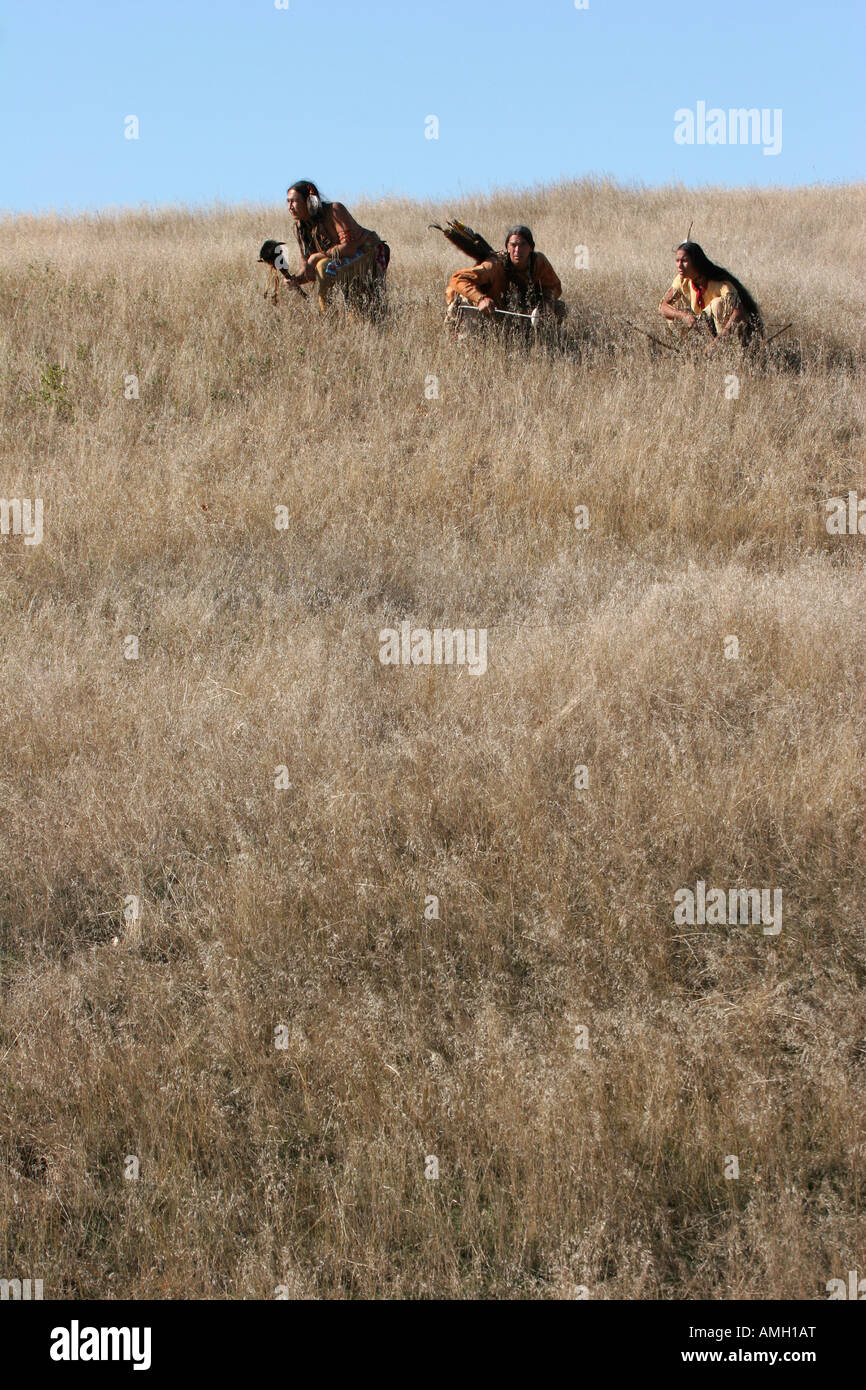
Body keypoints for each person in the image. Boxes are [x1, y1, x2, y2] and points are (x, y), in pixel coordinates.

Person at [282, 180, 389, 315]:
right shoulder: (300, 227)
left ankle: (329, 319)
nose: (290, 207)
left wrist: (316, 257)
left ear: (309, 201)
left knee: (323, 266)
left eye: (294, 201)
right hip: (342, 263)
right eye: (288, 202)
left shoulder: (334, 210)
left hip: (369, 253)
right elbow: (308, 269)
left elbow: (349, 248)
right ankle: (331, 324)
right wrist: (295, 279)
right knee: (357, 313)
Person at [445, 224, 567, 332]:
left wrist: (545, 304)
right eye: (513, 245)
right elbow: (458, 278)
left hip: (523, 312)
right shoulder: (494, 265)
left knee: (559, 307)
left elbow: (554, 287)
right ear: (507, 248)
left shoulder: (539, 262)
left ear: (531, 247)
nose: (517, 250)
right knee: (465, 304)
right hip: (492, 312)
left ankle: (542, 340)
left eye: (523, 244)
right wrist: (480, 299)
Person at [659, 240, 763, 349]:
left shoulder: (721, 283)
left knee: (717, 304)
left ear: (696, 262)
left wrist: (717, 343)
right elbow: (662, 307)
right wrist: (684, 316)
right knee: (674, 310)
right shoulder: (681, 280)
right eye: (677, 261)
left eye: (684, 261)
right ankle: (689, 349)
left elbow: (739, 312)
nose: (679, 265)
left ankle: (727, 350)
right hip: (705, 327)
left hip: (730, 333)